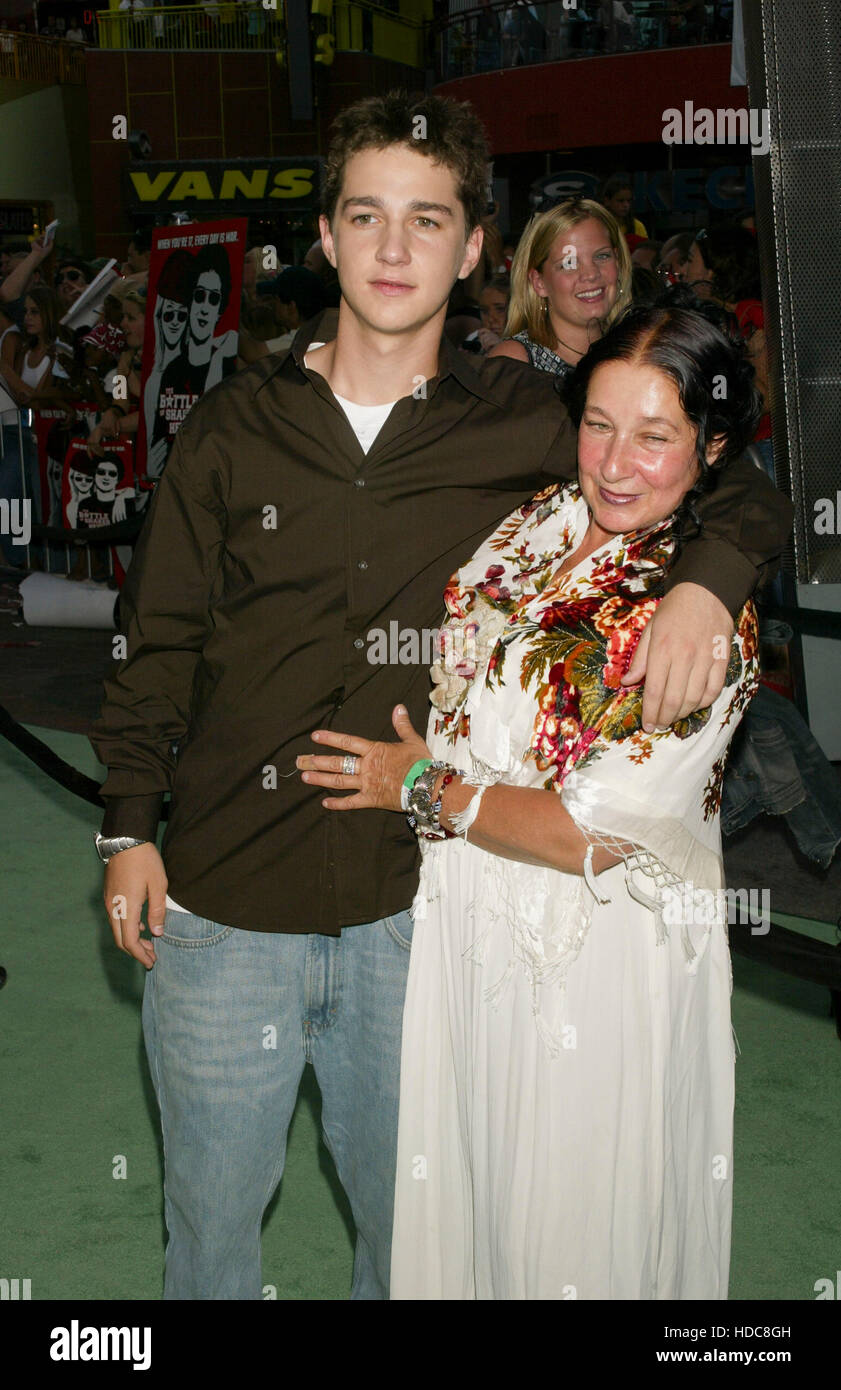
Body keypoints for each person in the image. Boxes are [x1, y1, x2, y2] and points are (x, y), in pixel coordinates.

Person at [89, 90, 791, 1303]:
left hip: (414, 913)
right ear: (324, 236)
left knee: (414, 1246)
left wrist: (707, 579)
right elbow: (157, 644)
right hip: (218, 901)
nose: (395, 248)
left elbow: (714, 461)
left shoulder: (530, 419)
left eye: (429, 220)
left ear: (473, 249)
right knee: (206, 1235)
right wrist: (124, 827)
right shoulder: (230, 427)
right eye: (367, 216)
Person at [297, 301, 766, 1298]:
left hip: (592, 962)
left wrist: (417, 784)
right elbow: (475, 664)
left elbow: (586, 836)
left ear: (712, 445)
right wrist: (452, 751)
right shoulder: (549, 518)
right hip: (472, 929)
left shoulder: (696, 619)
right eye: (598, 424)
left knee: (570, 1231)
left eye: (654, 436)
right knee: (475, 1206)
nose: (614, 463)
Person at [489, 196, 632, 381]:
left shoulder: (637, 352)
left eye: (602, 256)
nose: (591, 273)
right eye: (569, 263)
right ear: (539, 282)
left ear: (619, 264)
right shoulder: (514, 364)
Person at [683, 224, 772, 476]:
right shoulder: (715, 315)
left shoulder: (751, 315)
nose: (682, 271)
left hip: (758, 452)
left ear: (712, 272)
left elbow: (766, 396)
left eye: (690, 261)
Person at [599, 172, 648, 239]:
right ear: (607, 201)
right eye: (620, 201)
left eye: (629, 200)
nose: (626, 205)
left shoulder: (637, 226)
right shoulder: (597, 225)